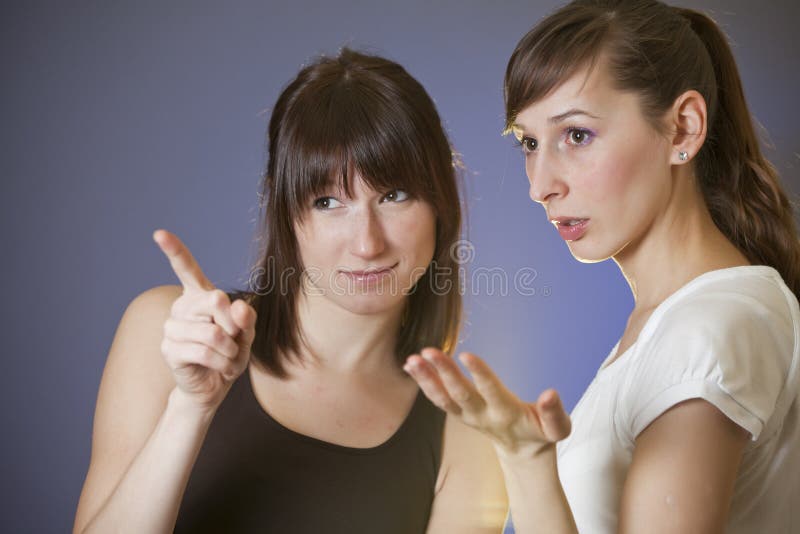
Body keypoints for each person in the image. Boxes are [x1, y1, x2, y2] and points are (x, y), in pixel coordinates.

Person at [72, 48, 508, 534]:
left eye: (393, 196)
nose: (367, 243)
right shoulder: (168, 332)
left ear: (440, 204)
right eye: (328, 202)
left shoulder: (467, 438)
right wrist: (190, 408)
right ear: (287, 215)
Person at [403, 1, 800, 533]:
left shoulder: (708, 328)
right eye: (529, 143)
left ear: (683, 129)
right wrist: (526, 458)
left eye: (577, 135)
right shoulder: (678, 323)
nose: (540, 185)